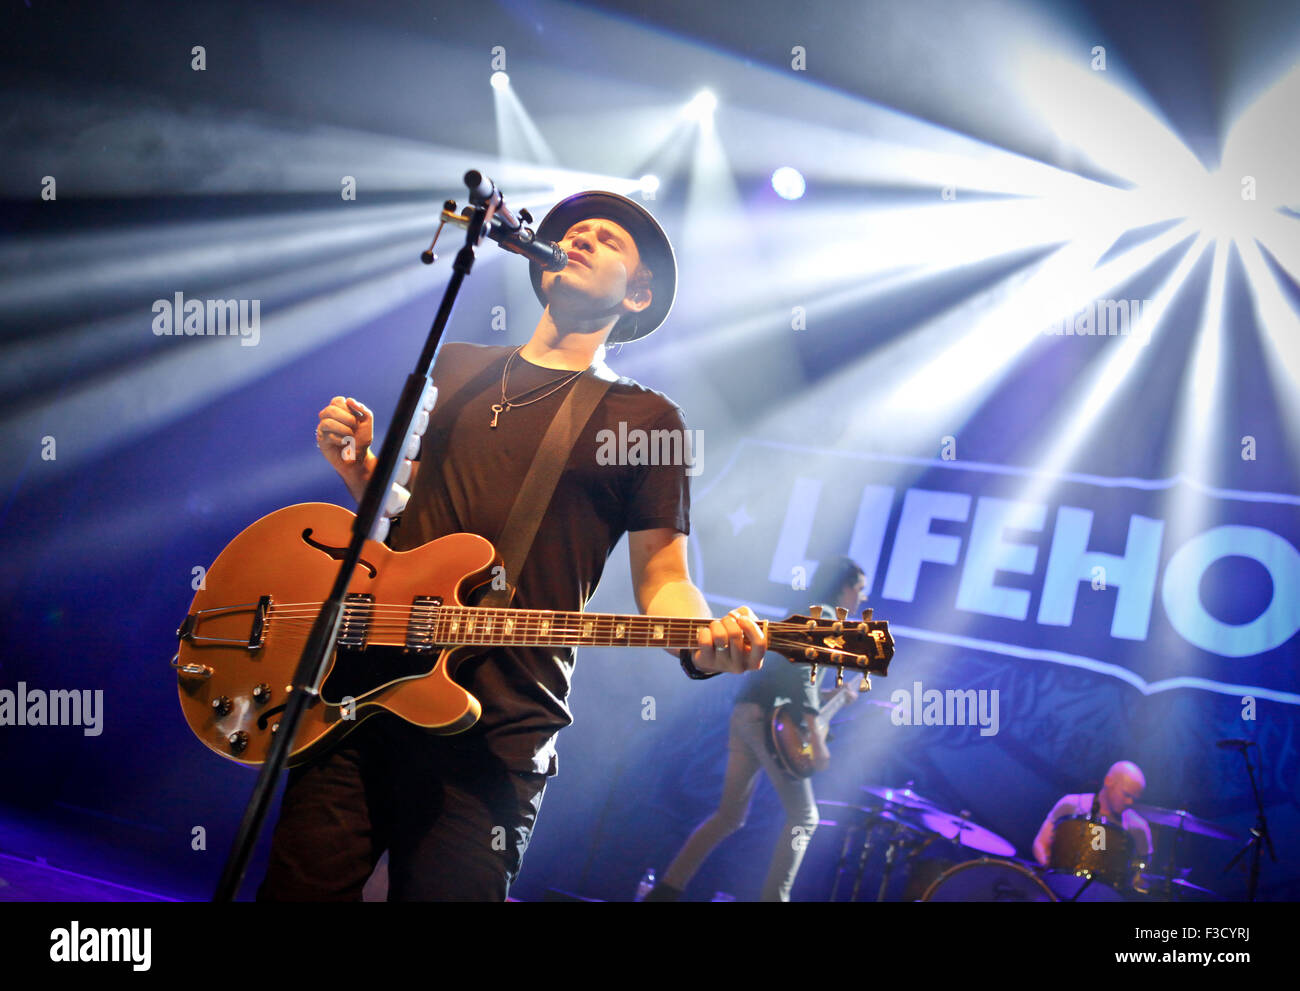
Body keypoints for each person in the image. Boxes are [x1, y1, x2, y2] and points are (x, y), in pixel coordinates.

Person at [258, 191, 766, 901]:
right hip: (360, 696)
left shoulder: (647, 418)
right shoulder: (458, 366)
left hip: (498, 730)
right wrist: (362, 473)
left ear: (638, 292)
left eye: (606, 240)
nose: (580, 239)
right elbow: (406, 520)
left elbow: (663, 576)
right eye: (574, 231)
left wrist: (702, 640)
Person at [647, 557, 867, 901]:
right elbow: (798, 677)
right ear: (844, 586)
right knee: (805, 817)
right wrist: (816, 737)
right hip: (768, 718)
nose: (861, 599)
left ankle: (664, 893)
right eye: (859, 588)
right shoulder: (824, 615)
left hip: (748, 714)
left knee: (729, 816)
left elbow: (792, 678)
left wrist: (833, 696)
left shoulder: (807, 610)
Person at [1031, 760, 1153, 880]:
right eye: (1126, 795)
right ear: (1108, 781)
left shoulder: (1138, 827)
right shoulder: (1071, 804)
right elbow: (1040, 843)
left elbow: (1144, 867)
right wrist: (1055, 872)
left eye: (1134, 799)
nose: (1129, 802)